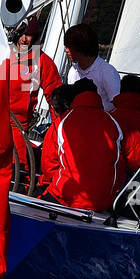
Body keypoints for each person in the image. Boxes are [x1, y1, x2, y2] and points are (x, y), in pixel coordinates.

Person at [41, 78, 126, 212]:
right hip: (103, 201)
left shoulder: (64, 122)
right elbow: (119, 165)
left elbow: (49, 166)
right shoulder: (113, 122)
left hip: (67, 197)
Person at [1, 16, 62, 168]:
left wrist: (58, 131)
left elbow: (56, 98)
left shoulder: (42, 61)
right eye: (21, 33)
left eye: (28, 35)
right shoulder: (1, 53)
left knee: (17, 171)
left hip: (18, 127)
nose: (23, 39)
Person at [64, 23, 120, 111]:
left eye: (69, 47)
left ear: (80, 47)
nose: (66, 50)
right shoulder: (72, 71)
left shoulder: (107, 71)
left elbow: (118, 106)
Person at [37, 83, 76, 197]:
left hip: (59, 188)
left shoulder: (57, 127)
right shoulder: (90, 123)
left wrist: (43, 182)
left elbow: (49, 166)